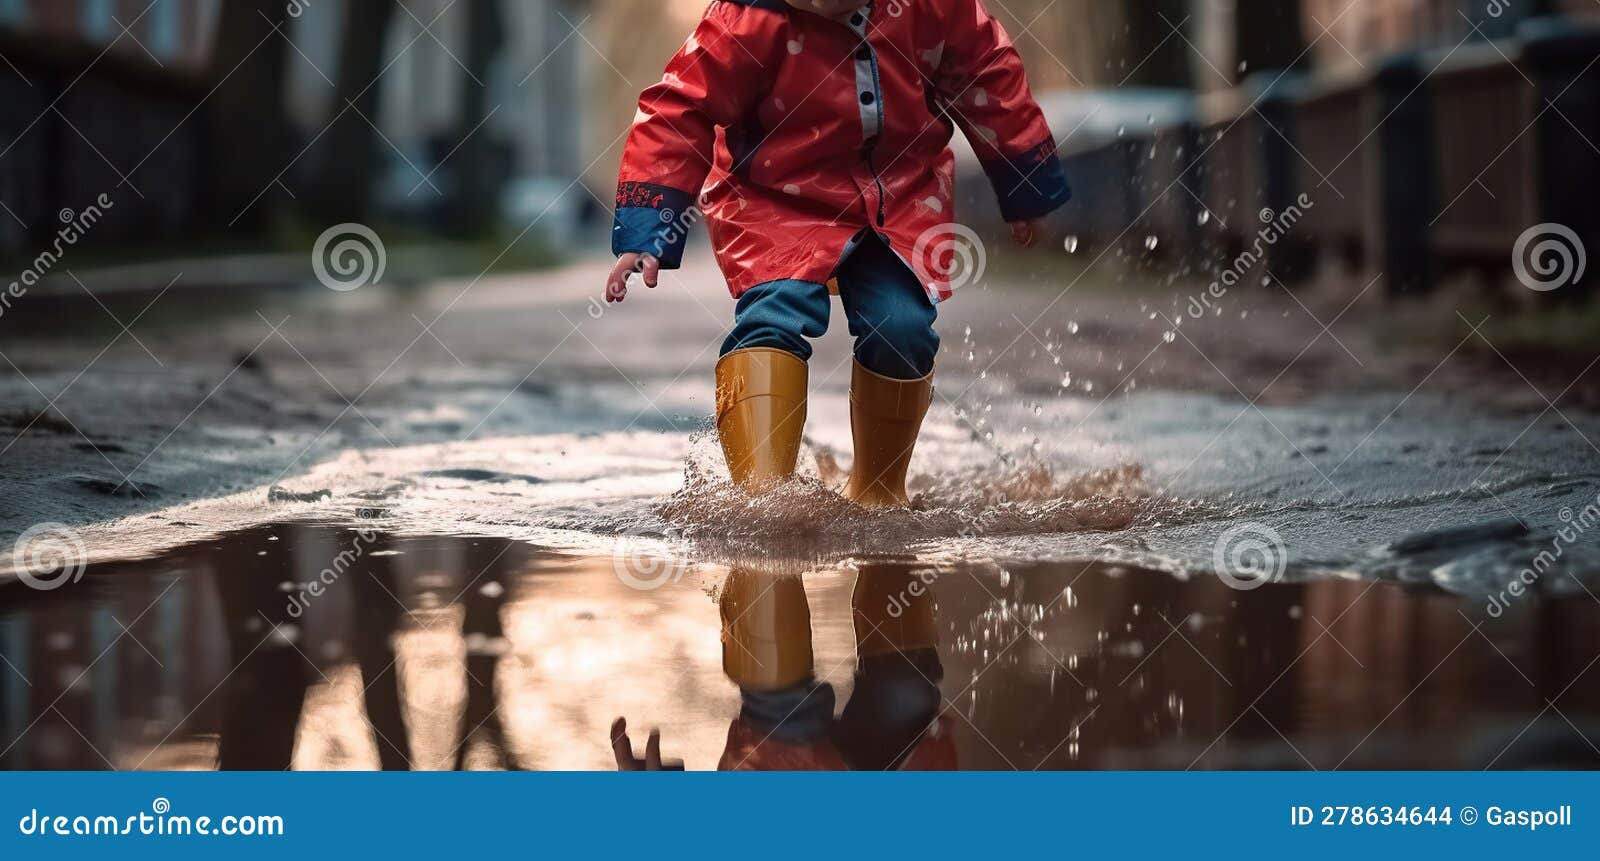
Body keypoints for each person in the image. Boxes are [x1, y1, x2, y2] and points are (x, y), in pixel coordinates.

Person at [604, 0, 1071, 506]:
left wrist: (1025, 182)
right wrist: (648, 228)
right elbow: (679, 109)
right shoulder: (750, 19)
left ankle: (879, 492)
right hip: (776, 201)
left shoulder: (936, 9)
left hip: (899, 198)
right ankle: (762, 500)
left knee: (903, 328)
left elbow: (988, 76)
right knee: (773, 315)